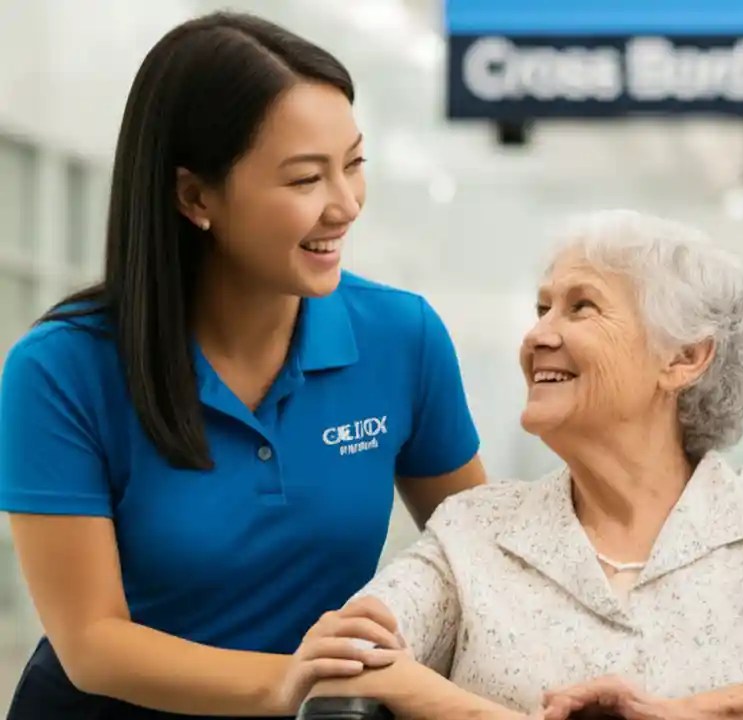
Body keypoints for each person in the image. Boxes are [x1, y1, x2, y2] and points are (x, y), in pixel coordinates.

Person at [0, 12, 485, 719]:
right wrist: (290, 680)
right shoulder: (61, 370)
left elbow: (481, 564)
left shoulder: (402, 337)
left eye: (353, 165)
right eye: (303, 180)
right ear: (195, 197)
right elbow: (92, 642)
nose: (345, 205)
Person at [287, 210, 743, 720]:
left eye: (582, 307)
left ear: (685, 358)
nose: (540, 334)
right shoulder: (473, 531)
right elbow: (341, 659)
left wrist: (683, 715)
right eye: (543, 306)